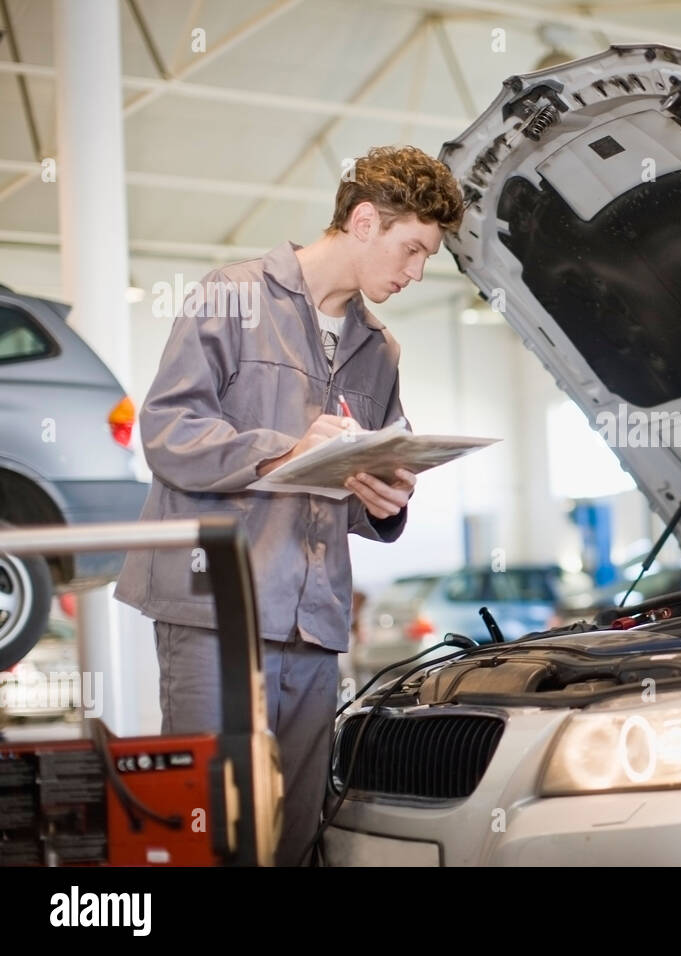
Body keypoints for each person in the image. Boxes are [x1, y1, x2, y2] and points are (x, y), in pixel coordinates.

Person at [115, 145, 463, 866]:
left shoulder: (380, 351)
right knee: (215, 832)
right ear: (364, 220)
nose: (416, 272)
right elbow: (168, 432)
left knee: (296, 832)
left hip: (316, 622)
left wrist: (387, 497)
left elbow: (360, 486)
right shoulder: (230, 296)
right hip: (216, 610)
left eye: (428, 258)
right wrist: (285, 451)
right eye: (413, 249)